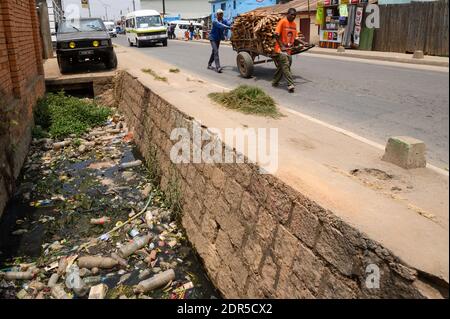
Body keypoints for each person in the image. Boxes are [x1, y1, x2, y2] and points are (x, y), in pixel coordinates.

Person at [272, 8, 302, 93]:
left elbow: (296, 37)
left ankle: (275, 81)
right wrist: (281, 46)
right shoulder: (282, 22)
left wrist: (304, 42)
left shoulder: (294, 24)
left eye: (295, 15)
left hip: (289, 49)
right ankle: (290, 84)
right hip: (280, 49)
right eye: (292, 14)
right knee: (285, 65)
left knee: (282, 66)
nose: (293, 16)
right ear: (287, 14)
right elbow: (276, 35)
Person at [207, 9, 231, 73]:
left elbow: (228, 24)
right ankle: (218, 67)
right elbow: (221, 26)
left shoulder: (224, 20)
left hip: (218, 38)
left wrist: (233, 23)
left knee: (214, 52)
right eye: (219, 14)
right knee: (216, 51)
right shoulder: (215, 21)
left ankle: (209, 64)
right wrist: (229, 27)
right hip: (212, 38)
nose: (221, 15)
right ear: (217, 15)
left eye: (222, 14)